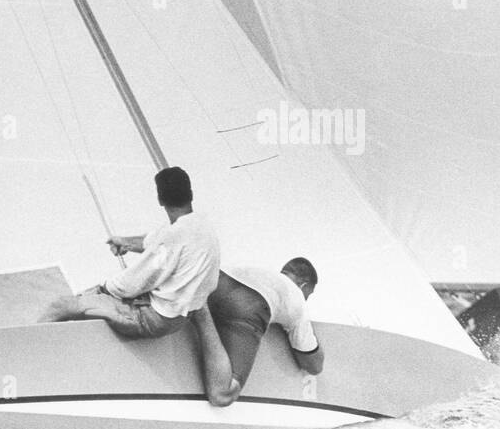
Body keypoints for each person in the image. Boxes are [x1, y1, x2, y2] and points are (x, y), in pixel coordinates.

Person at [36, 166, 220, 341]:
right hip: (180, 314)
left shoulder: (174, 235)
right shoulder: (202, 226)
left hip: (153, 319)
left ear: (160, 199)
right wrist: (125, 242)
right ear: (191, 194)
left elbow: (131, 284)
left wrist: (104, 288)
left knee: (62, 305)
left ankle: (25, 348)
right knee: (86, 302)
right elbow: (153, 242)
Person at [195, 258, 325, 407]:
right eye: (309, 294)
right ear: (304, 285)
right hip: (249, 304)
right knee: (223, 394)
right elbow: (313, 365)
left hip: (214, 279)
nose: (307, 299)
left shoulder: (257, 267)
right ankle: (201, 310)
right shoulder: (295, 295)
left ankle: (195, 299)